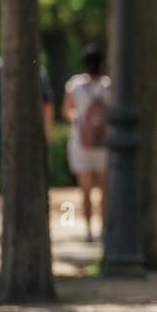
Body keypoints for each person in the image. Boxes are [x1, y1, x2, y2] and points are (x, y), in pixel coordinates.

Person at [0, 55, 54, 182]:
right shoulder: (35, 69)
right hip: (24, 130)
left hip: (4, 129)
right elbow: (47, 103)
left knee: (5, 167)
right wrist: (46, 131)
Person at [62, 43, 113, 242]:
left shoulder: (75, 85)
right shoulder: (109, 85)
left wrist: (81, 119)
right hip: (105, 143)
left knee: (85, 190)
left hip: (80, 141)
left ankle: (89, 231)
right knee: (104, 190)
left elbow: (66, 112)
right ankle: (105, 230)